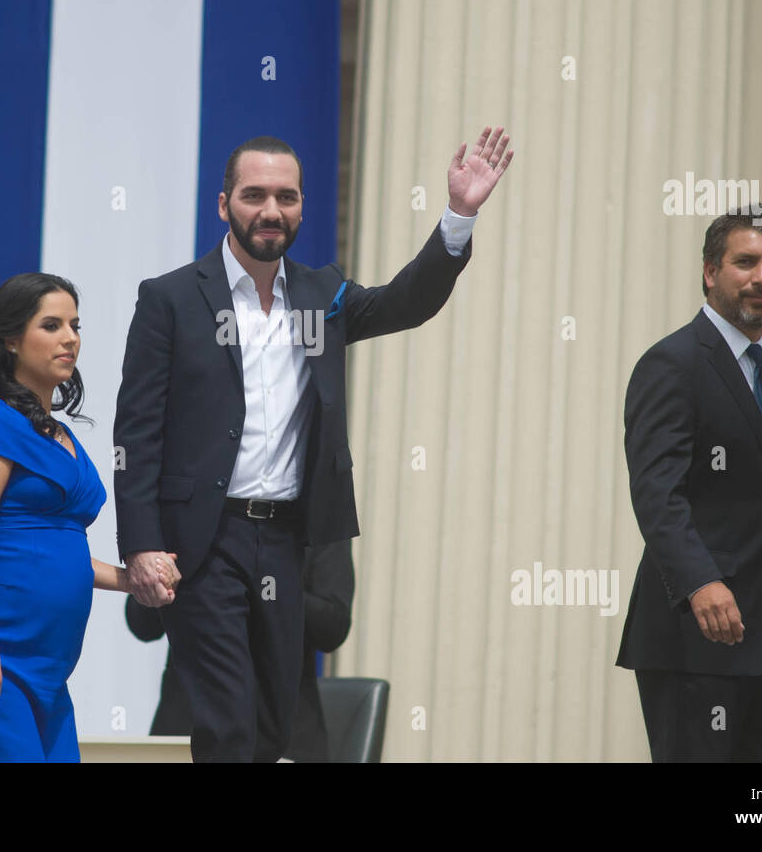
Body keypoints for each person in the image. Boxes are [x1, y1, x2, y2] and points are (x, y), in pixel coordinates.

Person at [115, 127, 513, 761]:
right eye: (254, 195)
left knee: (278, 723)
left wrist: (459, 214)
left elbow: (407, 302)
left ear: (301, 206)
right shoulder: (170, 299)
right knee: (225, 721)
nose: (271, 211)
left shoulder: (320, 293)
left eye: (287, 197)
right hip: (204, 541)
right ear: (224, 206)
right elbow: (135, 432)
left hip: (286, 541)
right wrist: (140, 544)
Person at [0, 272, 178, 762]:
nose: (70, 338)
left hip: (46, 663)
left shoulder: (57, 433)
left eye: (75, 326)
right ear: (12, 341)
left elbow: (56, 550)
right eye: (52, 325)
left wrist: (131, 579)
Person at [617, 206, 762, 762]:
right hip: (694, 638)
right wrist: (701, 581)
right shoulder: (672, 363)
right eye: (745, 261)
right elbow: (657, 491)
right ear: (710, 271)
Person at [125, 539, 354, 761]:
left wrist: (266, 587)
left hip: (285, 730)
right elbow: (140, 624)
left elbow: (333, 627)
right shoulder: (185, 518)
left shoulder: (312, 517)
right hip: (185, 723)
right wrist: (173, 575)